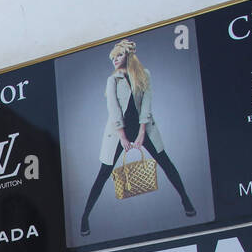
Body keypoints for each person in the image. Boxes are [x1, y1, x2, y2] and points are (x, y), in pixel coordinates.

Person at [78, 38, 196, 237]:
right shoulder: (112, 80)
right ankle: (84, 217)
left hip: (143, 126)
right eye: (113, 57)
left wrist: (142, 132)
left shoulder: (144, 74)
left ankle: (185, 199)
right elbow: (114, 110)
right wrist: (123, 138)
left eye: (119, 55)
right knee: (104, 173)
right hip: (117, 132)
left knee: (165, 162)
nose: (115, 59)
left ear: (129, 56)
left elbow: (147, 104)